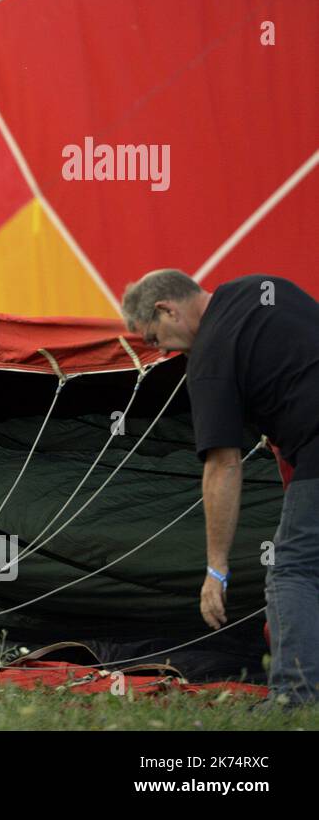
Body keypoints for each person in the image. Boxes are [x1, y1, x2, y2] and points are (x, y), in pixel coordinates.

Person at [121, 269, 319, 705]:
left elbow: (222, 465)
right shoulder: (262, 287)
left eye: (155, 339)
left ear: (165, 308)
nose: (163, 351)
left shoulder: (209, 355)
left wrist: (216, 569)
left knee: (294, 571)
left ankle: (295, 699)